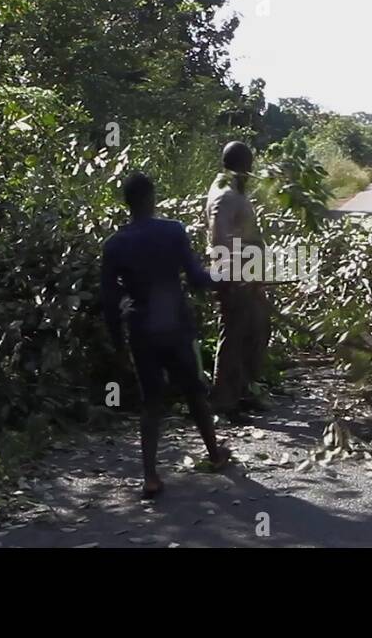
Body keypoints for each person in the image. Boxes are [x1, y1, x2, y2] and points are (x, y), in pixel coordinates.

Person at [101, 172, 229, 499]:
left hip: (141, 329)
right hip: (174, 325)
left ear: (127, 203)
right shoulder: (172, 231)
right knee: (194, 392)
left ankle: (150, 477)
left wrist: (117, 346)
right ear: (152, 198)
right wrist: (225, 276)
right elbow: (197, 278)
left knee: (151, 404)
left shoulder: (115, 245)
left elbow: (109, 301)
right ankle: (214, 455)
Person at [205, 141, 272, 426]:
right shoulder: (225, 195)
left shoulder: (230, 191)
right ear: (242, 166)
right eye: (249, 165)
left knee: (256, 328)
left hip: (246, 274)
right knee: (233, 335)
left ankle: (244, 391)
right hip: (235, 276)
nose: (252, 171)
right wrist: (236, 275)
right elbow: (220, 238)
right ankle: (225, 401)